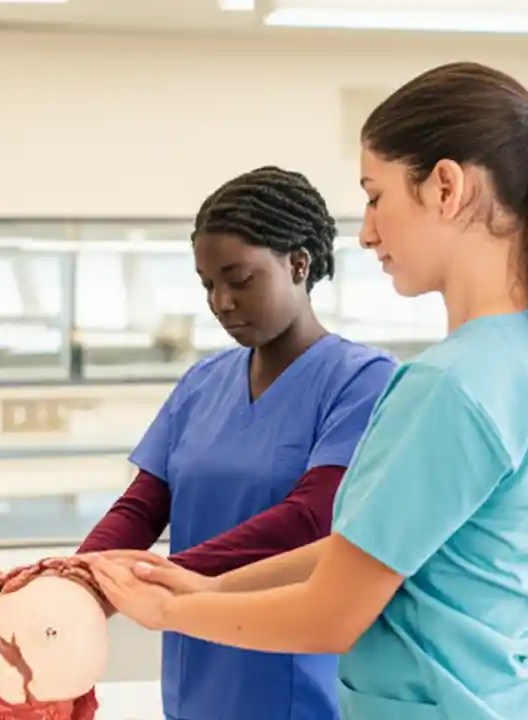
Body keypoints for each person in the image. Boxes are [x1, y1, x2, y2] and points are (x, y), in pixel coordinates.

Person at [87, 61, 528, 720]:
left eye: (376, 195)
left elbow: (331, 614)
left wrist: (171, 609)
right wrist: (202, 582)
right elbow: (362, 553)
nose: (366, 232)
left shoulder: (448, 383)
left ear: (446, 187)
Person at [77, 166, 397, 719]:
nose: (221, 301)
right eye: (207, 284)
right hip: (194, 673)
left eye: (239, 279)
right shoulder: (203, 383)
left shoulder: (361, 381)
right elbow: (143, 505)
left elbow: (314, 519)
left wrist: (158, 580)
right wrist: (71, 580)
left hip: (292, 680)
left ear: (298, 264)